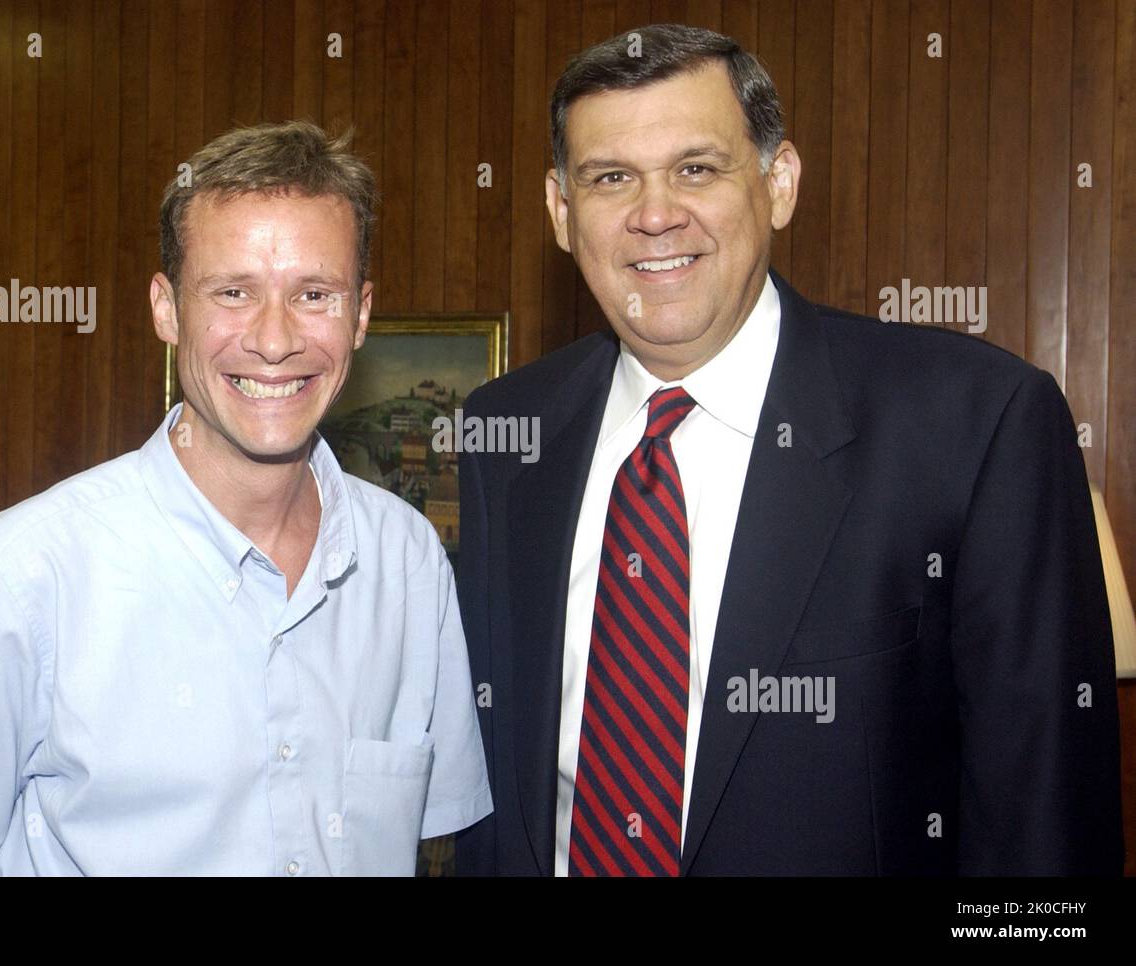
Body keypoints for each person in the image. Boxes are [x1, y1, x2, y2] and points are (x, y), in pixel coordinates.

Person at [453, 24, 1122, 875]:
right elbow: (487, 788)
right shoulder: (507, 434)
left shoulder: (974, 423)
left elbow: (1046, 827)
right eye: (611, 177)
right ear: (560, 210)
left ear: (779, 184)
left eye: (697, 168)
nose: (656, 213)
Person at [0, 120, 492, 876]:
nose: (274, 339)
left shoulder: (410, 558)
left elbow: (437, 846)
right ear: (165, 308)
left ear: (359, 315)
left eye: (314, 294)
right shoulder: (22, 576)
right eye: (233, 291)